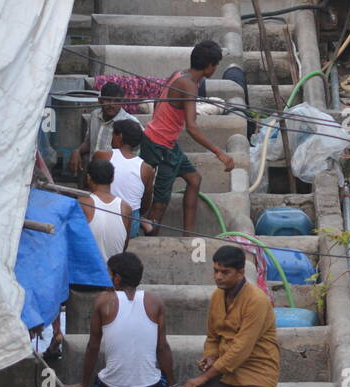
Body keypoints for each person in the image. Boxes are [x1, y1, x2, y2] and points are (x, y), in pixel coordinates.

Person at [171, 244, 280, 387]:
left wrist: (203, 378)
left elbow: (240, 349)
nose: (218, 277)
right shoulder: (216, 297)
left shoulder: (256, 301)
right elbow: (213, 336)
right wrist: (210, 356)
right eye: (215, 271)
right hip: (225, 371)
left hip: (256, 371)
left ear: (240, 272)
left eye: (225, 272)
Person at [139, 40, 236, 235]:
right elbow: (192, 128)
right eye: (215, 65)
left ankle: (188, 234)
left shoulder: (180, 74)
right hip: (161, 145)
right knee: (160, 201)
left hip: (162, 141)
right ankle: (150, 241)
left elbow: (160, 100)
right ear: (209, 66)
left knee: (194, 179)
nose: (216, 68)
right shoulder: (189, 85)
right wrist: (220, 153)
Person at [67, 252, 174, 387]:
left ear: (117, 279)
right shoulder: (155, 301)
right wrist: (172, 385)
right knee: (159, 378)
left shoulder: (103, 301)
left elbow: (93, 346)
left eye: (109, 274)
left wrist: (84, 384)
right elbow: (162, 347)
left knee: (102, 378)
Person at [72, 82, 134, 181]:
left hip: (116, 177)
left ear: (122, 102)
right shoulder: (94, 116)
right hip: (93, 174)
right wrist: (77, 151)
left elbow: (137, 154)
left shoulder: (129, 123)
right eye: (108, 100)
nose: (112, 105)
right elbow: (90, 142)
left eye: (116, 101)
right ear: (100, 101)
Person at [105, 120, 155, 238]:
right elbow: (146, 202)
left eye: (113, 134)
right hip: (131, 222)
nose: (112, 138)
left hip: (106, 216)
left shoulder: (104, 156)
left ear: (120, 136)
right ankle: (143, 222)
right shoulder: (146, 169)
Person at [80, 158, 132, 261]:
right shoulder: (125, 208)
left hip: (90, 271)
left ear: (88, 177)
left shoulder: (82, 204)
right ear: (112, 178)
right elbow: (124, 246)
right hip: (114, 273)